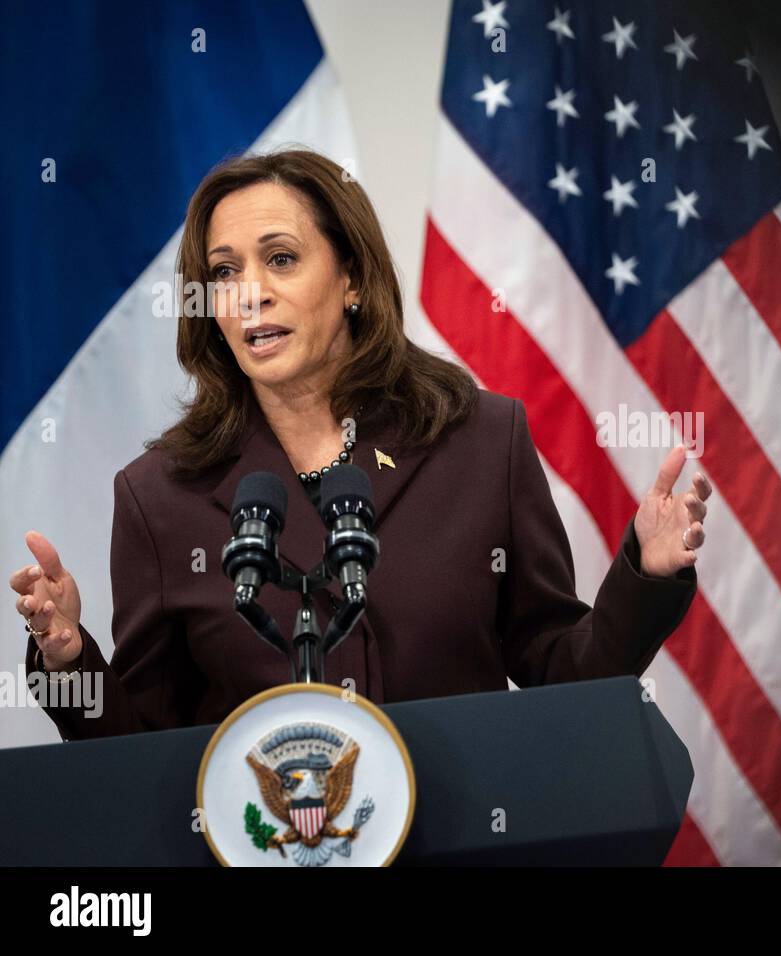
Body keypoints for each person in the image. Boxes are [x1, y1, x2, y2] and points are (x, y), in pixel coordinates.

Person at [10, 149, 709, 741]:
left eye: (280, 259)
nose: (249, 293)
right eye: (223, 273)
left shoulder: (481, 442)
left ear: (350, 279)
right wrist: (70, 662)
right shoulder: (159, 495)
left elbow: (562, 672)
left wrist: (645, 574)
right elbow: (146, 754)